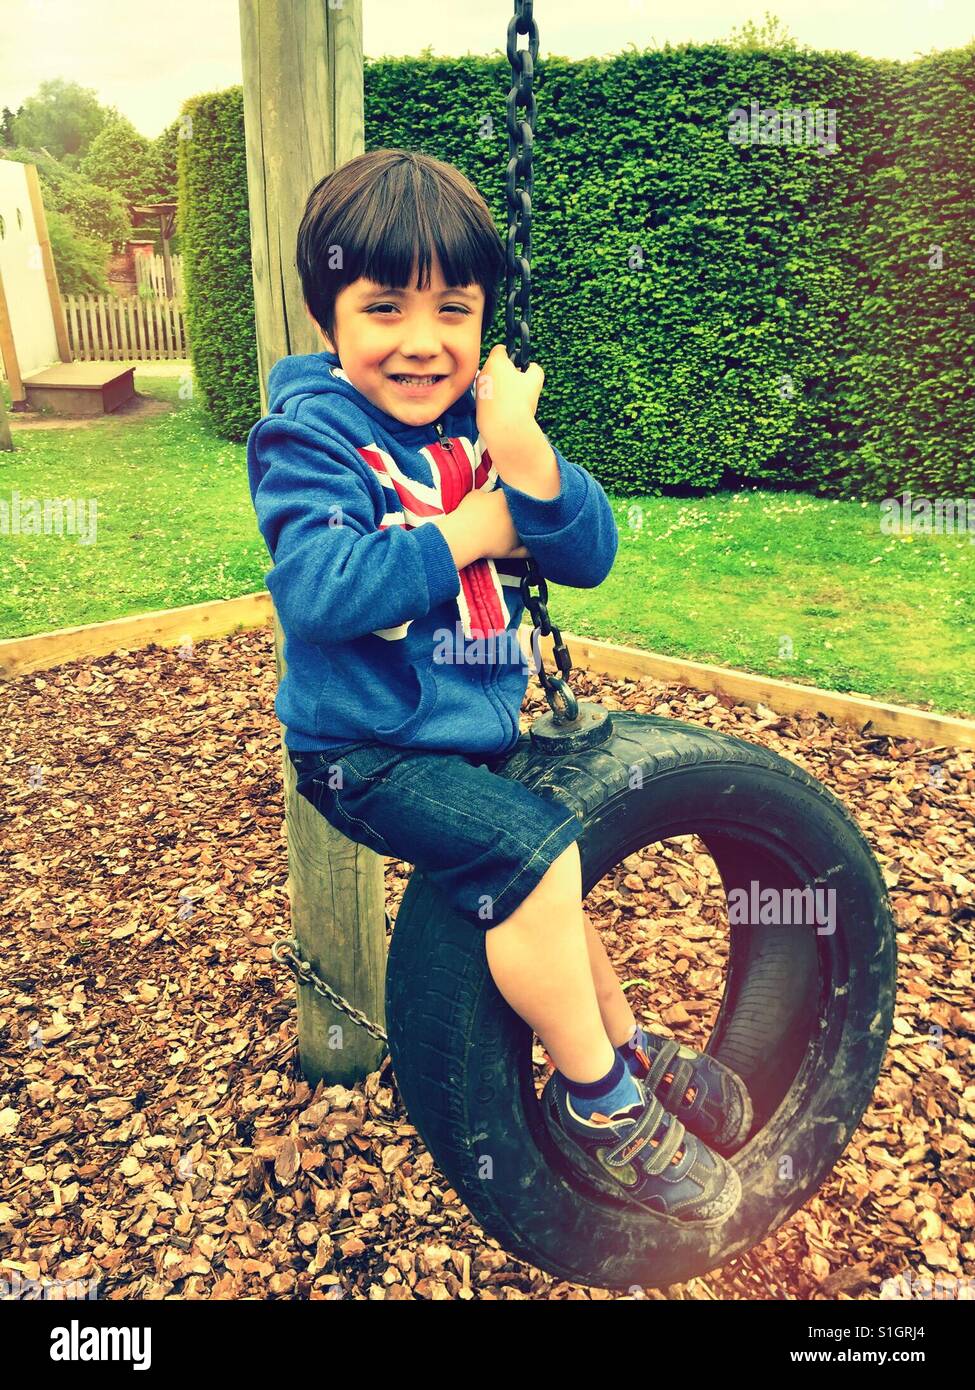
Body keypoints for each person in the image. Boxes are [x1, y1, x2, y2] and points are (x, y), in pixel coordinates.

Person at [246, 148, 751, 1223]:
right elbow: (321, 589)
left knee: (546, 882)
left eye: (454, 309)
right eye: (384, 306)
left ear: (482, 321)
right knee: (530, 855)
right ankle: (600, 1100)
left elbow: (588, 551)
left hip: (463, 736)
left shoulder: (482, 425)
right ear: (326, 314)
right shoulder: (309, 437)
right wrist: (473, 527)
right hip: (365, 751)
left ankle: (625, 1039)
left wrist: (524, 455)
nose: (422, 340)